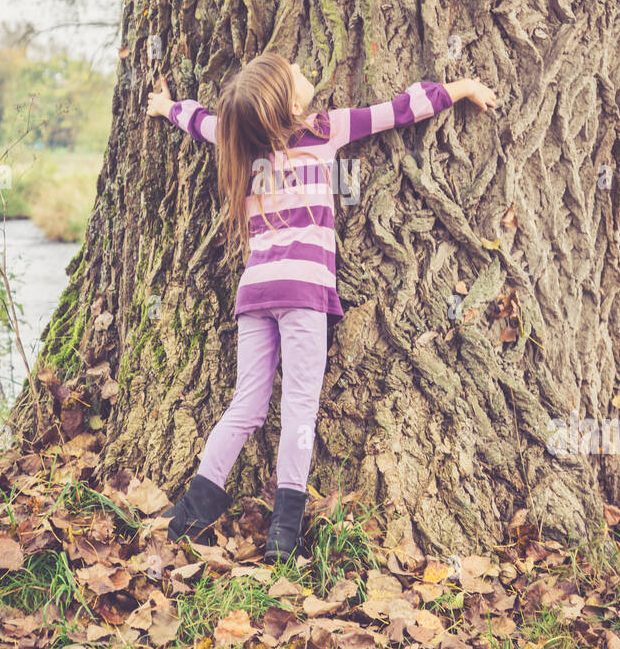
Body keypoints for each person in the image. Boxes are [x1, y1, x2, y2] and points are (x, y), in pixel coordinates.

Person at [146, 52, 498, 561]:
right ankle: (284, 530)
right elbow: (396, 111)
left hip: (256, 292)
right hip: (304, 294)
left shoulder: (237, 141)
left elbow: (200, 121)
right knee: (299, 411)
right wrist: (460, 86)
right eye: (294, 72)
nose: (301, 69)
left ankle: (194, 510)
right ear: (290, 101)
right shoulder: (324, 129)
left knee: (245, 406)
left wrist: (166, 106)